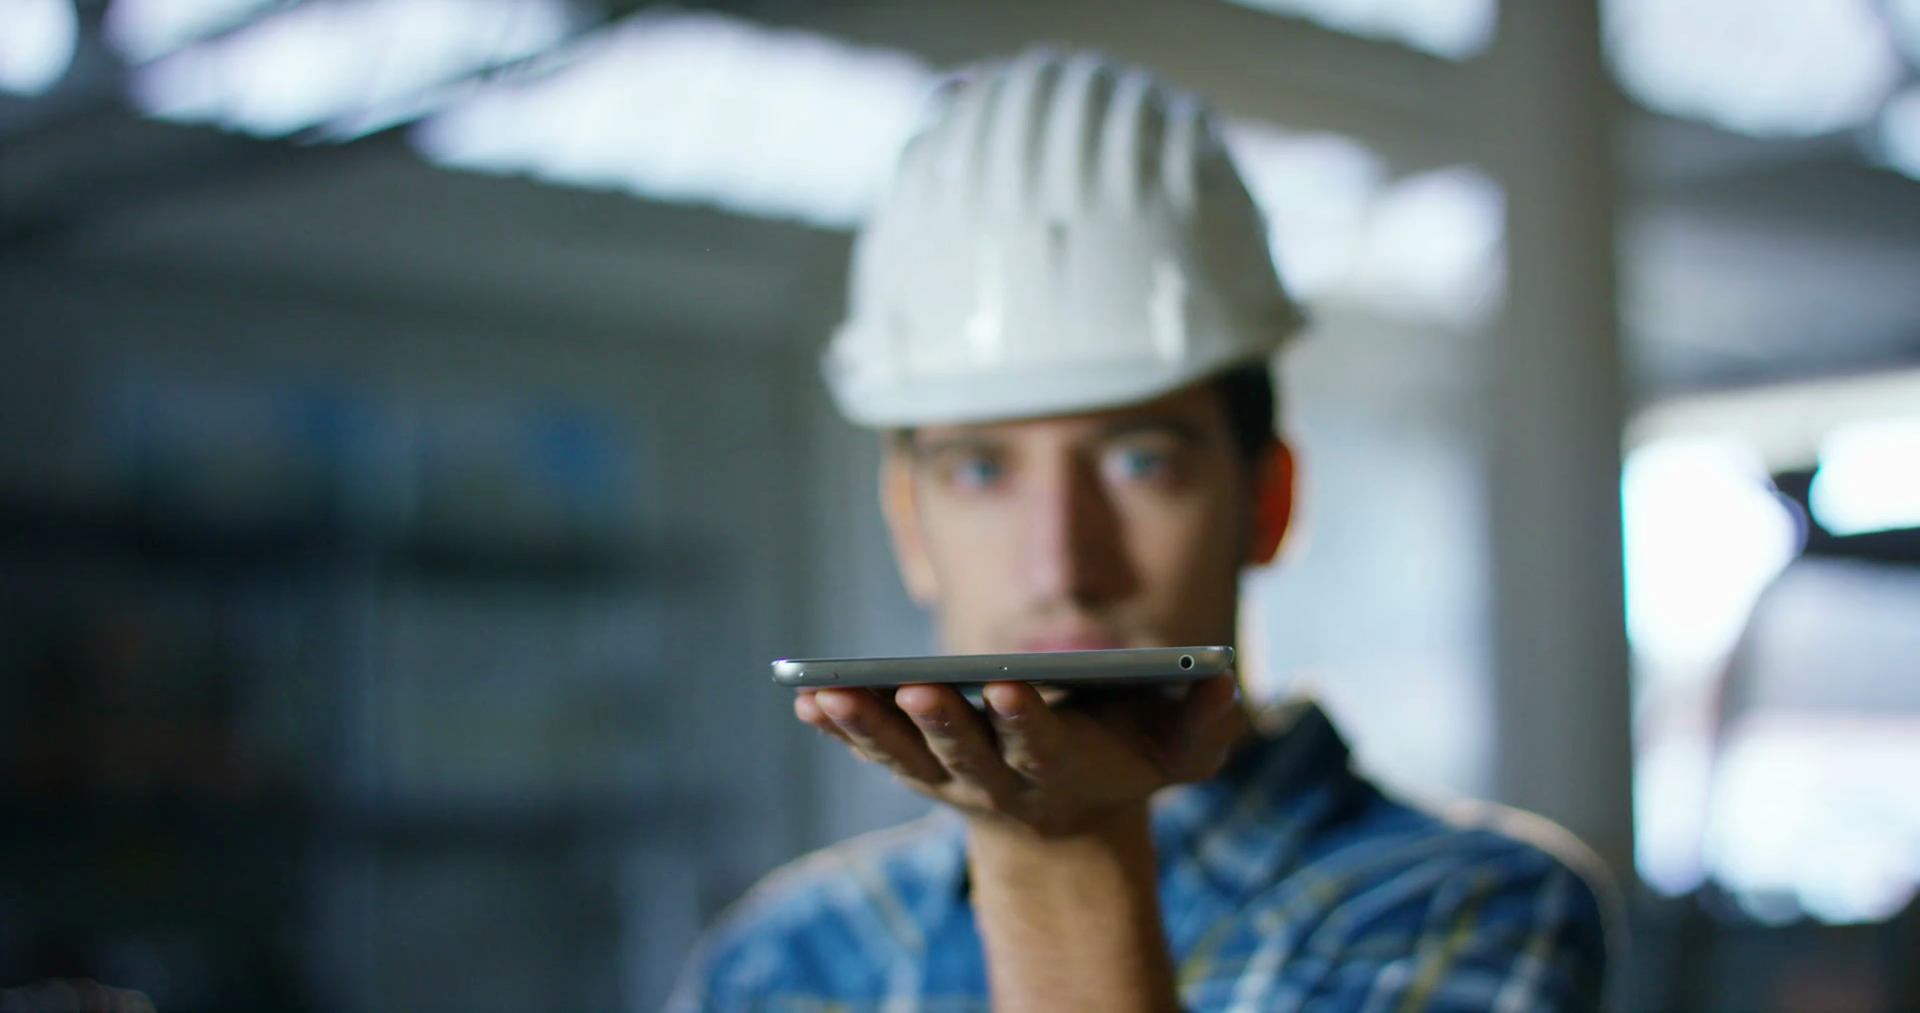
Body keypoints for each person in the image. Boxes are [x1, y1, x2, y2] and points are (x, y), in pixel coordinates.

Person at [669, 48, 1613, 1012]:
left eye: (1140, 462)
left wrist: (1065, 851)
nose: (1063, 565)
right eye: (982, 470)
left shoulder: (1466, 912)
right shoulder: (788, 959)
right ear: (911, 524)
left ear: (1268, 500)